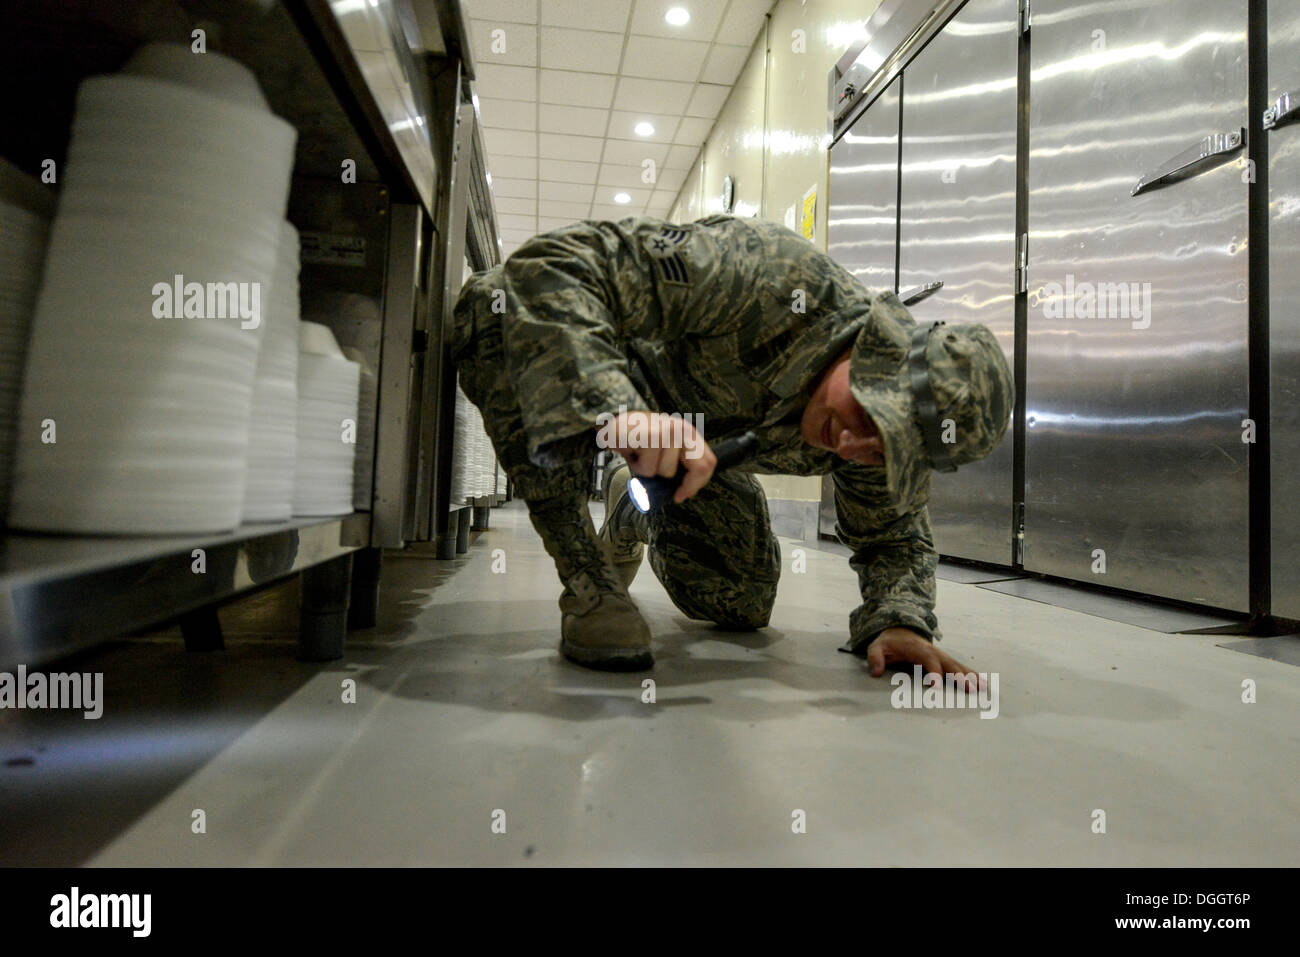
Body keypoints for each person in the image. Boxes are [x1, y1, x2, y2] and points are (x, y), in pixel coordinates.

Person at [452, 214, 1012, 680]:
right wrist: (624, 412)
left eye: (883, 449)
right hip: (610, 373)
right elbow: (553, 267)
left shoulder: (871, 443)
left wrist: (900, 621)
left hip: (701, 453)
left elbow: (895, 536)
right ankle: (587, 580)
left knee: (737, 601)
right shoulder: (771, 276)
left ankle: (634, 507)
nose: (850, 443)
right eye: (869, 412)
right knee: (498, 307)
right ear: (874, 351)